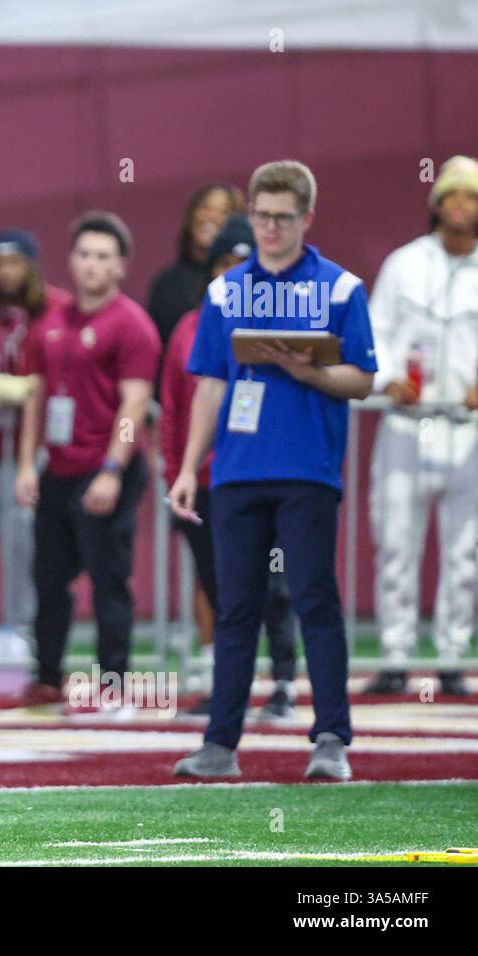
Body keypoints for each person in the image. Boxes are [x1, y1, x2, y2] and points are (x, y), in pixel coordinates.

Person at [170, 160, 376, 781]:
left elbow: (363, 379)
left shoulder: (341, 288)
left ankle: (332, 737)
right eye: (261, 216)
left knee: (316, 598)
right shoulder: (224, 290)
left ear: (306, 218)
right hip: (234, 471)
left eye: (283, 218)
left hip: (309, 468)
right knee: (236, 606)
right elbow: (208, 385)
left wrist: (307, 370)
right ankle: (221, 744)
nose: (270, 228)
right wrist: (188, 467)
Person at [15, 212, 160, 711]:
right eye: (84, 254)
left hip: (107, 469)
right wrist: (26, 465)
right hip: (57, 469)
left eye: (103, 257)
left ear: (121, 267)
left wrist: (113, 470)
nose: (91, 265)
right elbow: (36, 397)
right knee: (49, 580)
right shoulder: (49, 322)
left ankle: (114, 685)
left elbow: (134, 407)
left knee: (108, 580)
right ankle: (47, 678)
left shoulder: (133, 326)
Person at [160, 214, 298, 720]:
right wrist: (178, 472)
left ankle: (283, 684)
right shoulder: (189, 327)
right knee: (221, 589)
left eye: (244, 263)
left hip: (262, 476)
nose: (233, 272)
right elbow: (173, 406)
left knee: (274, 586)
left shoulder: (279, 322)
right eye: (224, 262)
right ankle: (227, 689)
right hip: (205, 480)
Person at [366, 155, 478, 698]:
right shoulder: (404, 265)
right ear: (434, 205)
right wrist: (387, 378)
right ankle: (395, 655)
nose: (459, 204)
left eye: (471, 196)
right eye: (450, 194)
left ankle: (454, 657)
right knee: (395, 543)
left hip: (467, 429)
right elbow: (376, 332)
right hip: (407, 427)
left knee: (465, 549)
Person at [0, 229, 70, 645]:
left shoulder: (57, 308)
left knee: (25, 541)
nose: (6, 273)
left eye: (15, 263)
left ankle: (24, 626)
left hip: (35, 448)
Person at [146, 182, 245, 344]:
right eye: (205, 208)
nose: (212, 216)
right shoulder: (166, 283)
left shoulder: (248, 281)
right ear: (191, 214)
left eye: (224, 212)